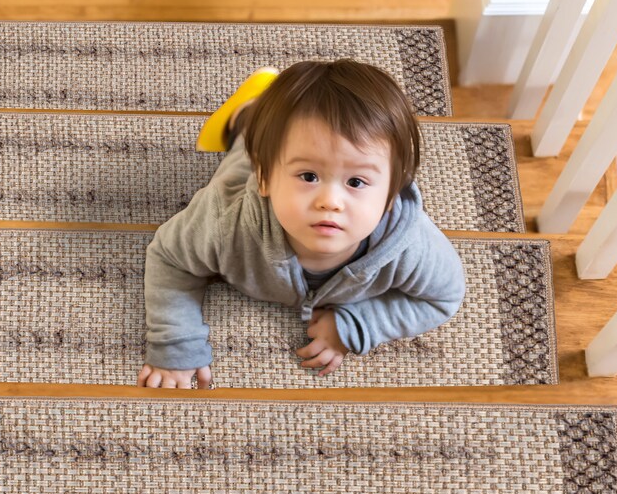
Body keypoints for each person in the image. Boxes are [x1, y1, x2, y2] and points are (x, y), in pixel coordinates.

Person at [137, 59, 465, 388]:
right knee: (250, 138)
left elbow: (444, 297)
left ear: (392, 194)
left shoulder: (409, 246)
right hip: (246, 166)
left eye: (356, 182)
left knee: (280, 137)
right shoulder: (225, 220)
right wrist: (175, 344)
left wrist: (358, 324)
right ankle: (250, 108)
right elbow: (169, 257)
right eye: (309, 176)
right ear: (264, 179)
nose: (330, 201)